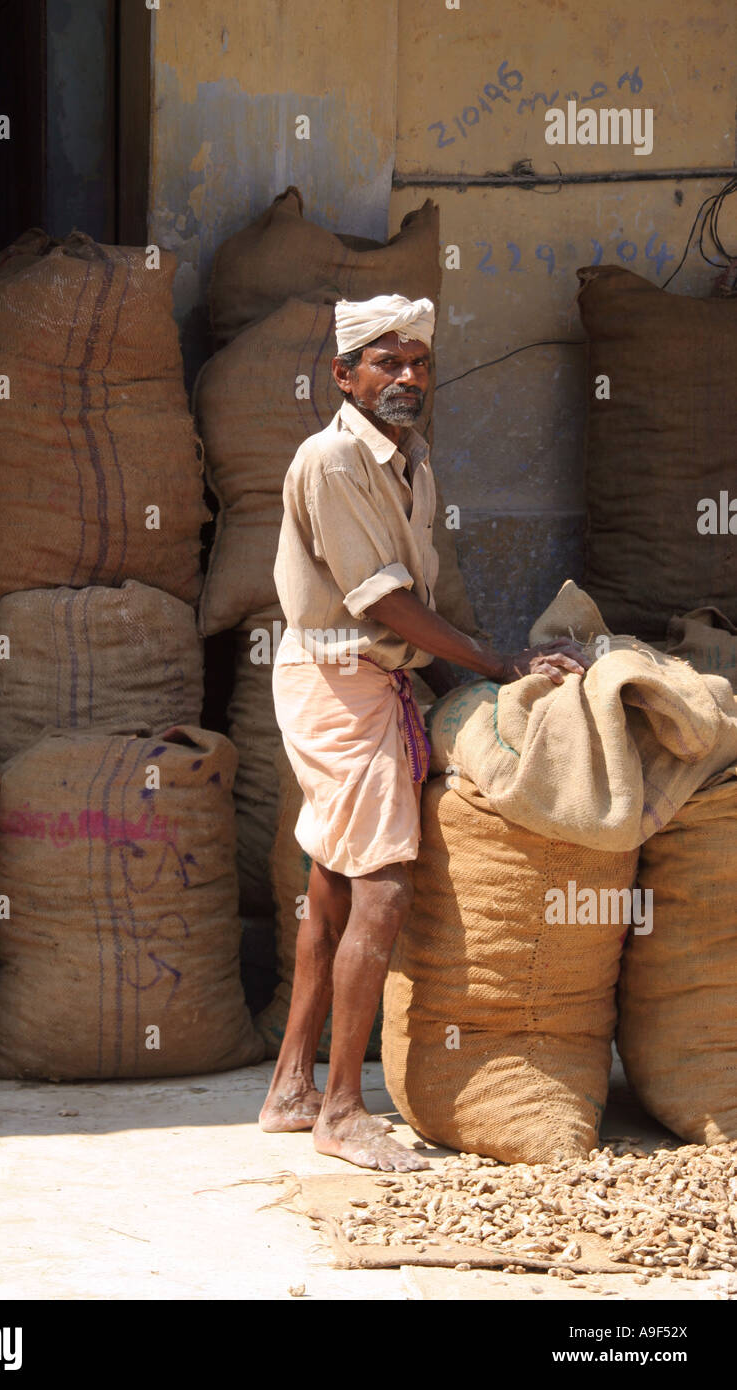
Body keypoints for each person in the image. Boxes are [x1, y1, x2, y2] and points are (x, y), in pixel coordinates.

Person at [259, 293, 589, 1171]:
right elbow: (385, 601)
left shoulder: (412, 458)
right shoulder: (331, 460)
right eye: (387, 363)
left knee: (334, 878)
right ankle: (341, 1110)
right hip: (337, 678)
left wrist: (462, 684)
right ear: (344, 374)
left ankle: (293, 1088)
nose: (408, 378)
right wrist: (492, 665)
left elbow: (419, 600)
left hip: (374, 678)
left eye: (420, 364)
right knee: (387, 887)